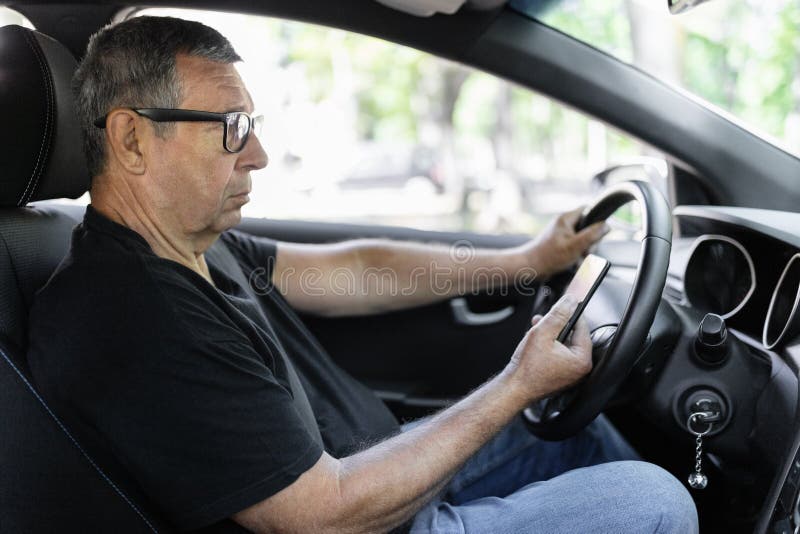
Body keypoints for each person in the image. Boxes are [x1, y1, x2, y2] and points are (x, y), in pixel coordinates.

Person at [26, 15, 698, 534]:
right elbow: (324, 516)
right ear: (132, 139)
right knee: (655, 502)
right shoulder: (134, 318)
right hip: (365, 513)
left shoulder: (190, 244)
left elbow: (358, 272)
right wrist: (518, 380)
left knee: (570, 429)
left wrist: (528, 262)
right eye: (230, 127)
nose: (257, 154)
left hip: (378, 464)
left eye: (251, 124)